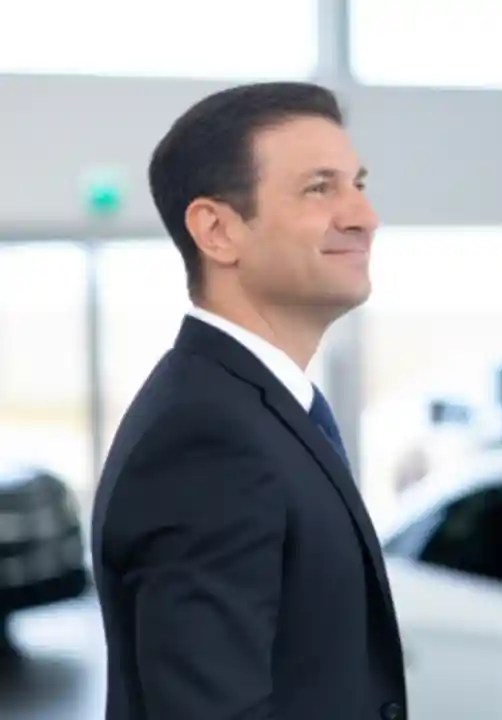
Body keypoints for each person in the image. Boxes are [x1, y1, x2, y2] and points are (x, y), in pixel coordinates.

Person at [90, 82, 407, 720]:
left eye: (359, 185)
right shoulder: (207, 440)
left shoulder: (257, 413)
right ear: (217, 230)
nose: (363, 217)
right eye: (321, 188)